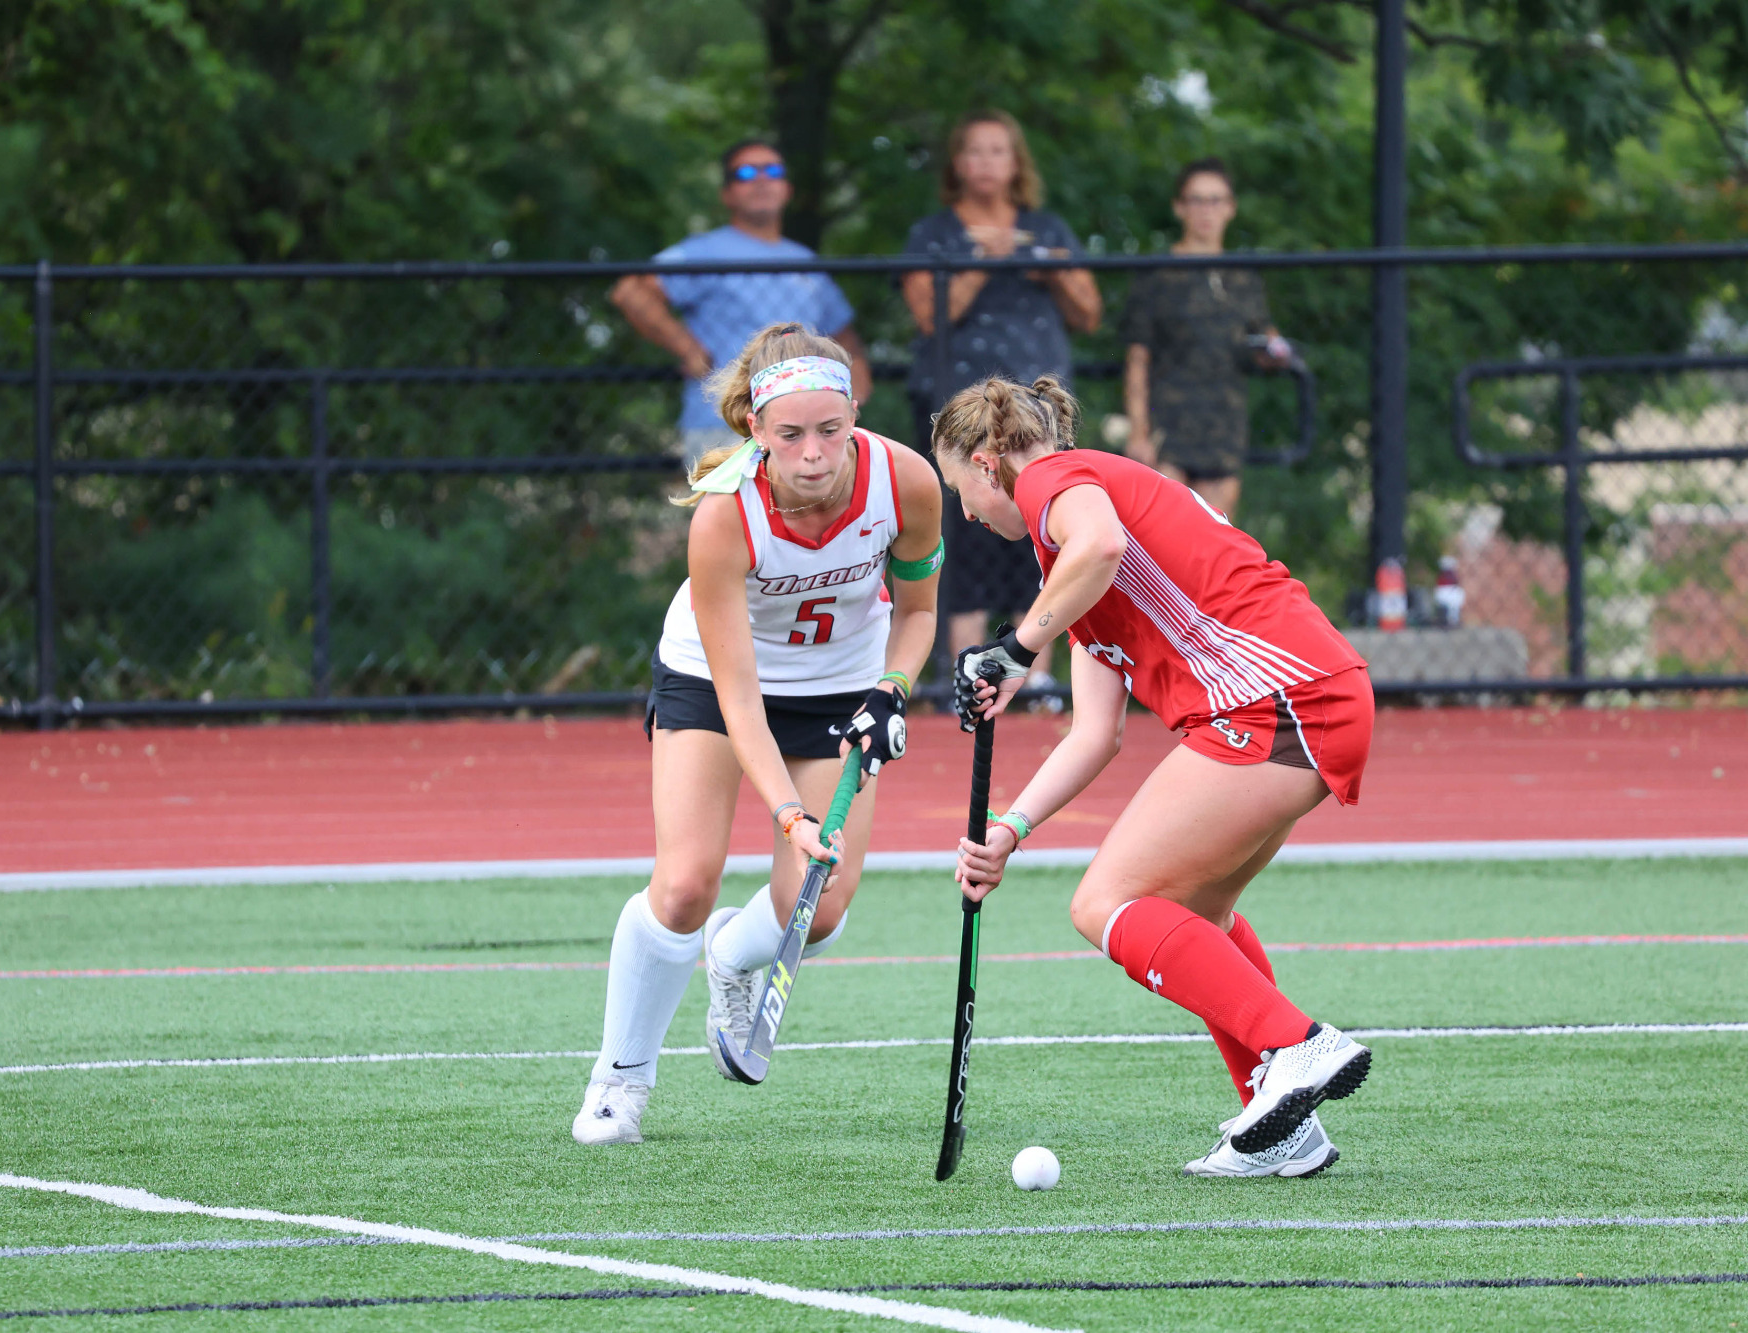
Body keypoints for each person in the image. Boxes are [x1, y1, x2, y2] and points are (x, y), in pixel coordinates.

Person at [934, 375, 1373, 1178]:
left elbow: (1099, 547)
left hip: (1277, 696)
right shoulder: (1068, 563)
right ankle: (1282, 1123)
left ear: (987, 461)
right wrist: (1008, 832)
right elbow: (1094, 735)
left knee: (1104, 902)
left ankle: (1298, 1044)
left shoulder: (1057, 483)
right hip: (1301, 697)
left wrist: (1016, 648)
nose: (964, 511)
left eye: (960, 488)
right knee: (1195, 912)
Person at [573, 323, 943, 1145]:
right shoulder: (725, 517)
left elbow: (917, 613)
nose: (815, 453)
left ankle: (733, 956)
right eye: (791, 435)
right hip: (715, 682)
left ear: (856, 413)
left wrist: (893, 687)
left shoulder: (906, 481)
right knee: (684, 882)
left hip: (844, 686)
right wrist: (787, 813)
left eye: (831, 430)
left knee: (821, 904)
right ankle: (620, 1080)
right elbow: (740, 696)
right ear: (755, 429)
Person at [902, 110, 1101, 704]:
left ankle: (1031, 672)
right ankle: (963, 666)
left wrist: (1047, 265)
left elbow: (1090, 312)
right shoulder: (934, 234)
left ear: (1016, 163)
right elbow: (928, 315)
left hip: (1035, 408)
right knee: (964, 526)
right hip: (958, 406)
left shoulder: (1046, 228)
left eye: (998, 151)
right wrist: (981, 258)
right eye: (974, 151)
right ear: (957, 164)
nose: (987, 164)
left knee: (1041, 523)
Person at [612, 139, 873, 468]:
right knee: (723, 520)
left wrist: (850, 403)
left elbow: (846, 338)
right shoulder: (704, 251)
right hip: (724, 425)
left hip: (808, 433)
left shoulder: (805, 260)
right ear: (727, 194)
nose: (762, 179)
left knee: (807, 521)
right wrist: (688, 349)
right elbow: (631, 292)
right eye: (747, 172)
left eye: (773, 170)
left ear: (787, 188)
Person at [1121, 158, 1293, 518]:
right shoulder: (1157, 275)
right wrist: (1139, 432)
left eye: (1215, 200)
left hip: (1224, 425)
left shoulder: (1243, 278)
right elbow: (1137, 357)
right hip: (1168, 426)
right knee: (1168, 536)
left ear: (1230, 208)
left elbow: (1262, 334)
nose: (1206, 210)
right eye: (1197, 200)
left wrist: (1274, 352)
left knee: (1217, 539)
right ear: (1179, 206)